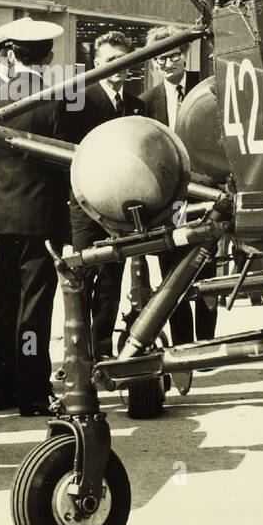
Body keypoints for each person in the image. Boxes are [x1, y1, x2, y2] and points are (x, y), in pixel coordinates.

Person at [0, 17, 69, 417]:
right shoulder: (56, 99)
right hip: (39, 220)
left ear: (11, 55)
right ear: (48, 56)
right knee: (34, 309)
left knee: (1, 305)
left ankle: (1, 388)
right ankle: (32, 392)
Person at [65, 30, 147, 359]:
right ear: (96, 63)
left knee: (111, 283)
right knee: (81, 282)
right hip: (85, 208)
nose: (118, 67)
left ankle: (102, 351)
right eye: (111, 61)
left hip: (119, 211)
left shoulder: (136, 106)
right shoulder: (78, 100)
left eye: (124, 61)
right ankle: (78, 354)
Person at [139, 24, 216, 345]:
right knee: (171, 271)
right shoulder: (145, 102)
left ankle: (207, 339)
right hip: (167, 199)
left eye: (172, 57)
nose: (167, 65)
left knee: (206, 265)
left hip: (205, 193)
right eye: (160, 60)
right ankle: (183, 342)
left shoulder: (210, 87)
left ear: (185, 55)